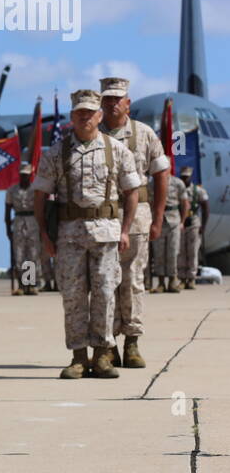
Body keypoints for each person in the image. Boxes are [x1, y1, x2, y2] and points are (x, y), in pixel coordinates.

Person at [33, 90, 141, 379]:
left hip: (106, 234)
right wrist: (44, 234)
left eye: (90, 112)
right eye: (79, 111)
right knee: (73, 297)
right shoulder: (56, 153)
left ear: (99, 116)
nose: (85, 116)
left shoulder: (117, 151)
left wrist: (126, 229)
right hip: (69, 236)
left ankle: (103, 354)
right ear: (71, 116)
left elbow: (132, 192)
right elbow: (41, 194)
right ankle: (79, 356)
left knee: (106, 294)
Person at [100, 76, 169, 367]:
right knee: (104, 283)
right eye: (107, 98)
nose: (113, 103)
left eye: (118, 98)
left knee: (133, 282)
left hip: (138, 216)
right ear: (100, 103)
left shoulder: (144, 134)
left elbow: (161, 174)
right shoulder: (92, 134)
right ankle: (107, 343)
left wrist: (157, 218)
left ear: (128, 103)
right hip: (102, 218)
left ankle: (132, 342)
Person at [4, 163, 40, 294]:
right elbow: (7, 211)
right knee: (19, 255)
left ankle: (32, 284)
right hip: (18, 221)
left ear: (31, 176)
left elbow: (41, 208)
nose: (25, 177)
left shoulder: (36, 190)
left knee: (33, 254)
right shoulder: (12, 190)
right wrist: (8, 229)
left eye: (27, 175)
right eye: (23, 175)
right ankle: (22, 284)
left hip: (33, 221)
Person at [150, 170, 187, 293]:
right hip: (158, 221)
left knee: (173, 251)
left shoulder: (178, 183)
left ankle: (172, 281)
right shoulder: (152, 183)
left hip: (174, 220)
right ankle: (161, 283)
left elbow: (185, 203)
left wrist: (182, 221)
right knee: (159, 253)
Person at [179, 166, 209, 288]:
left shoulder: (199, 191)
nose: (184, 179)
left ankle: (191, 278)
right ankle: (181, 278)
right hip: (181, 223)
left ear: (190, 177)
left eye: (186, 177)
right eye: (183, 177)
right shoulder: (178, 189)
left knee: (193, 251)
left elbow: (206, 209)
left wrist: (203, 226)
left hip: (194, 222)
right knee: (181, 252)